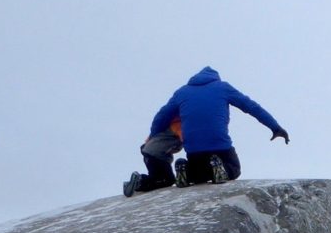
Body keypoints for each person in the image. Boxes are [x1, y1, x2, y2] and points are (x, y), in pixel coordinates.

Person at [123, 66, 288, 197]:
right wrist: (275, 127)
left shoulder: (182, 91)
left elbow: (162, 116)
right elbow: (251, 107)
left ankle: (186, 171)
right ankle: (221, 168)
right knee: (234, 168)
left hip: (193, 148)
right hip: (219, 144)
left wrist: (152, 137)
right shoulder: (223, 87)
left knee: (198, 176)